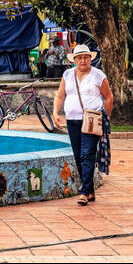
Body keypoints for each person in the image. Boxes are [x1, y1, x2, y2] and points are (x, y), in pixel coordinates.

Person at [53, 44, 114, 207]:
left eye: (86, 57)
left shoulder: (98, 75)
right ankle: (90, 190)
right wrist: (55, 113)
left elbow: (108, 97)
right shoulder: (67, 75)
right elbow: (60, 96)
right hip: (72, 120)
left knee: (87, 155)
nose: (83, 60)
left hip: (92, 120)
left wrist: (105, 117)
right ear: (74, 60)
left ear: (90, 58)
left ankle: (84, 192)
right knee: (79, 155)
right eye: (79, 57)